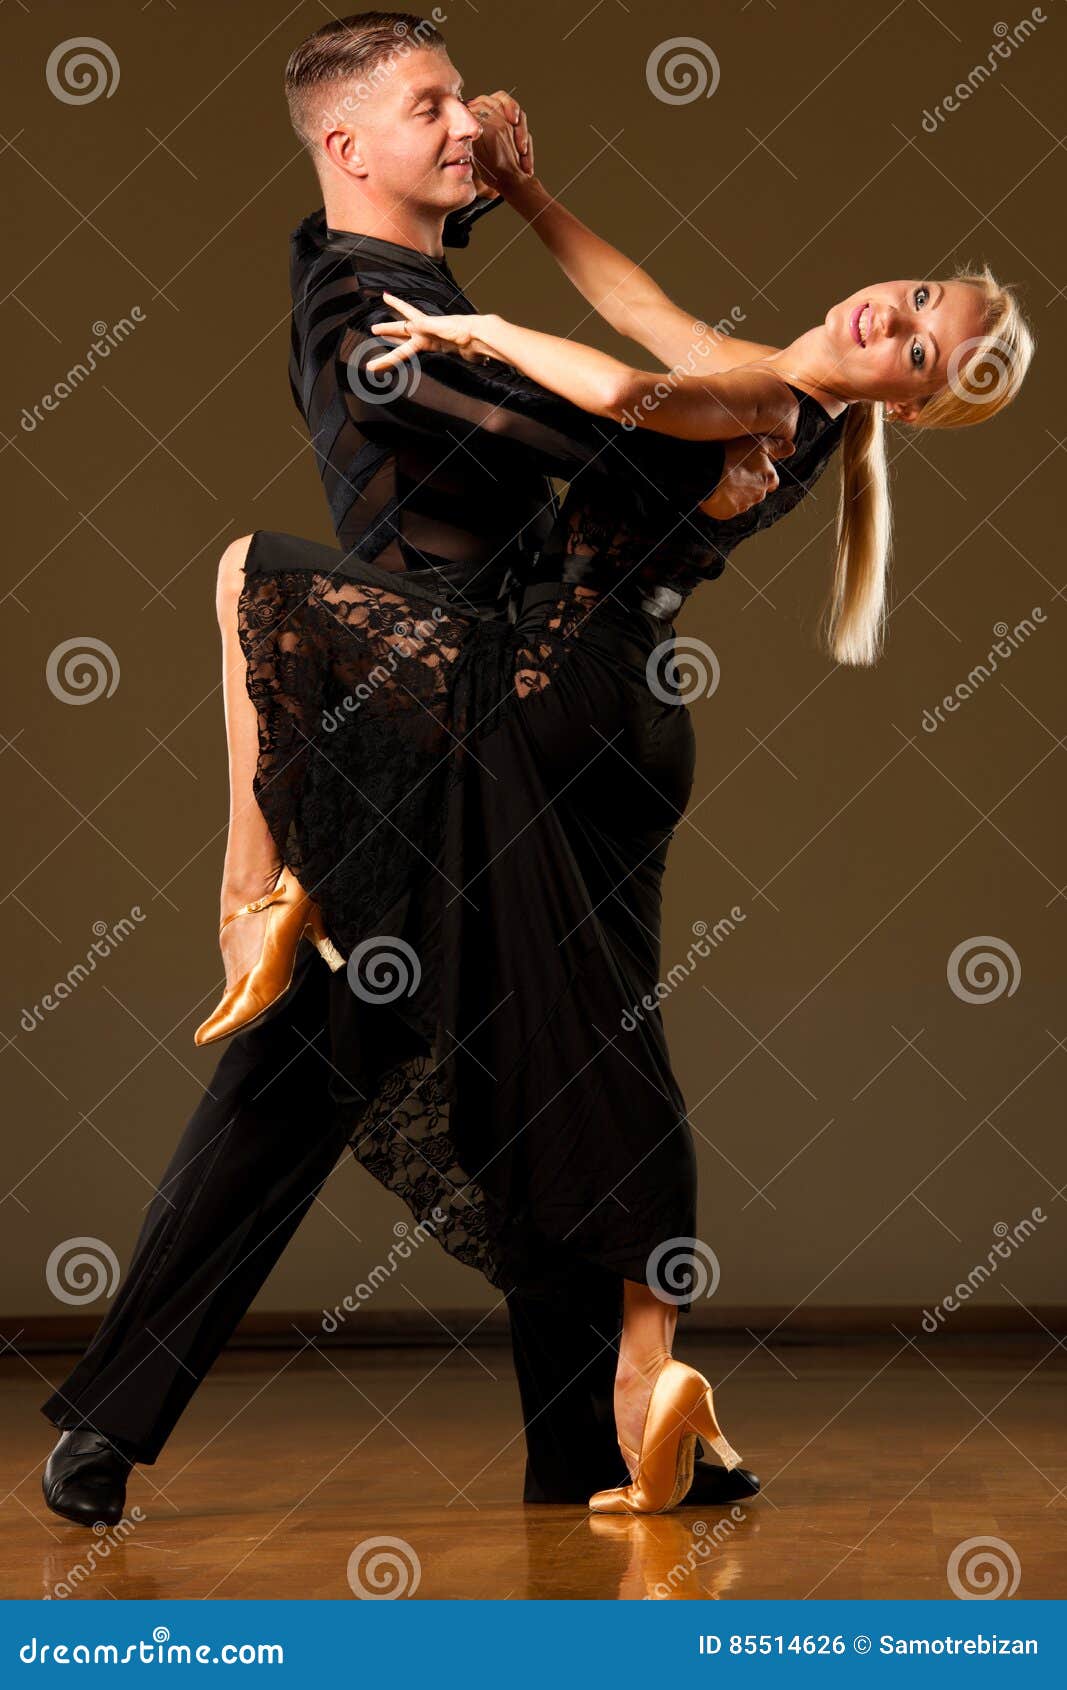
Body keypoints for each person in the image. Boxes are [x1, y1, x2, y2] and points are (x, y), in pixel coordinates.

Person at [183, 35, 1033, 1512]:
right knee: (574, 1048)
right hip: (605, 720)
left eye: (918, 344)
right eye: (912, 292)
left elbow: (633, 390)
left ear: (911, 398)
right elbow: (640, 309)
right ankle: (638, 1380)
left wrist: (489, 332)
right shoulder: (777, 379)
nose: (889, 313)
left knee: (256, 572)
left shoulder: (780, 415)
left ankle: (258, 887)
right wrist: (530, 184)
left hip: (554, 700)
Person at [39, 12, 784, 1532]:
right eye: (430, 105)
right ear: (345, 145)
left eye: (461, 99)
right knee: (308, 1073)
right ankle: (108, 1426)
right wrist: (718, 434)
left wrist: (708, 438)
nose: (467, 124)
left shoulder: (434, 297)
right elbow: (560, 432)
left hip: (526, 755)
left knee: (547, 1070)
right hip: (417, 761)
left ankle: (578, 1444)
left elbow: (580, 476)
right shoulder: (367, 316)